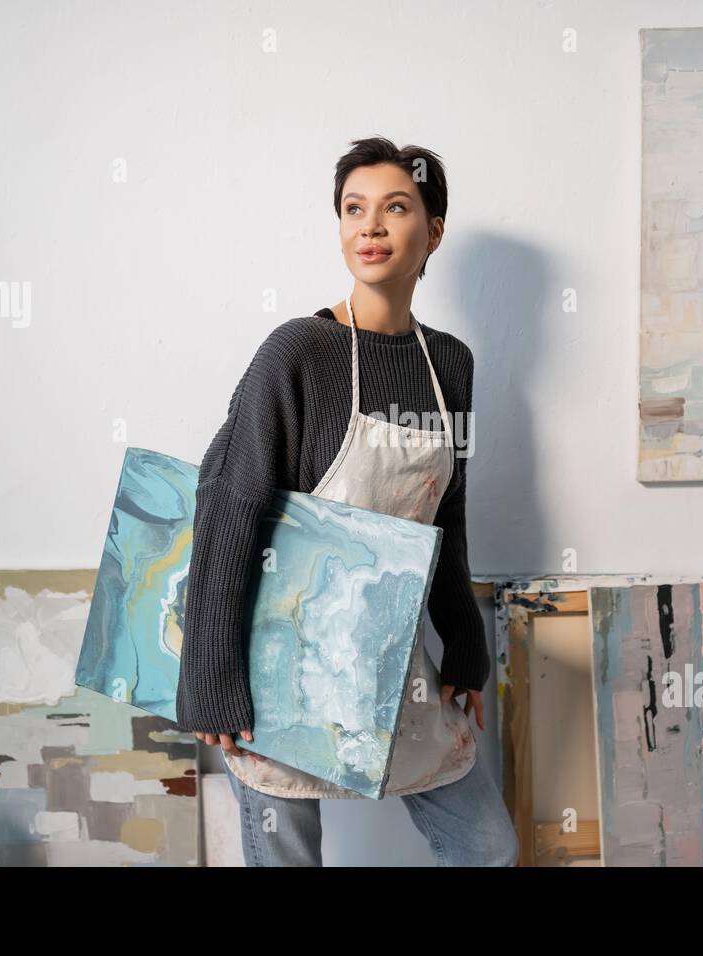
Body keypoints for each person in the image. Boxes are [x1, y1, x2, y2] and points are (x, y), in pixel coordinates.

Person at [176, 136, 518, 866]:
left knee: (487, 847)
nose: (370, 226)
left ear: (433, 231)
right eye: (353, 209)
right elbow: (229, 506)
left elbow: (444, 513)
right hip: (278, 673)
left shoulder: (450, 363)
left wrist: (463, 644)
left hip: (395, 663)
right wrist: (210, 677)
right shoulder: (297, 352)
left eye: (396, 208)